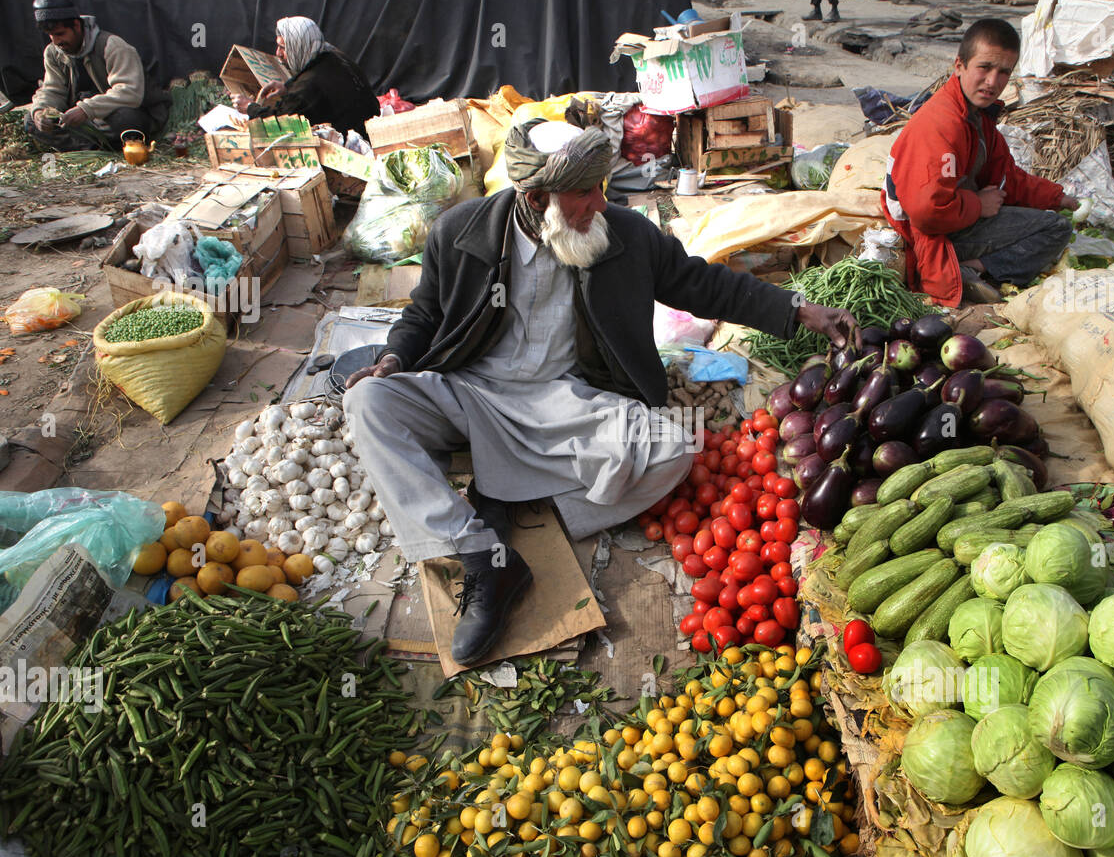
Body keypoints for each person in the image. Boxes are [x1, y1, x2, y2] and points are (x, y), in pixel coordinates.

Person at [343, 120, 855, 666]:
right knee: (369, 403)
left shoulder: (624, 235)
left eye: (602, 187)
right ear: (537, 198)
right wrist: (393, 360)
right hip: (471, 390)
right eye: (584, 192)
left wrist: (797, 310)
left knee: (674, 449)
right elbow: (424, 313)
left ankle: (507, 495)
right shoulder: (460, 231)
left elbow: (702, 283)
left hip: (570, 400)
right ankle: (481, 555)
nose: (599, 202)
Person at [882, 19, 1081, 307]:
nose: (992, 82)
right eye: (984, 67)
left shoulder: (977, 116)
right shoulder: (942, 125)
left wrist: (1056, 196)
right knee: (1056, 229)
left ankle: (974, 267)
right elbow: (927, 213)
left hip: (958, 217)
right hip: (930, 235)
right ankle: (974, 268)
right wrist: (979, 205)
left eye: (1003, 72)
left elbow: (1006, 178)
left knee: (1054, 221)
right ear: (959, 65)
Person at [24, 0, 169, 152]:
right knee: (31, 120)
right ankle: (91, 148)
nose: (56, 41)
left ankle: (97, 144)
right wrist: (41, 111)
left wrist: (86, 110)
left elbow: (129, 93)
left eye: (60, 33)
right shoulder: (54, 52)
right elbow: (53, 89)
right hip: (85, 121)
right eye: (51, 35)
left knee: (126, 119)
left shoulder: (112, 46)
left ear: (76, 26)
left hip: (115, 115)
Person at [231, 17, 378, 139]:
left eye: (283, 47)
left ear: (299, 46)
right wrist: (287, 88)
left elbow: (278, 123)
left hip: (354, 145)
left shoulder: (308, 86)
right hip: (371, 131)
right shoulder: (335, 56)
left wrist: (250, 108)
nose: (278, 53)